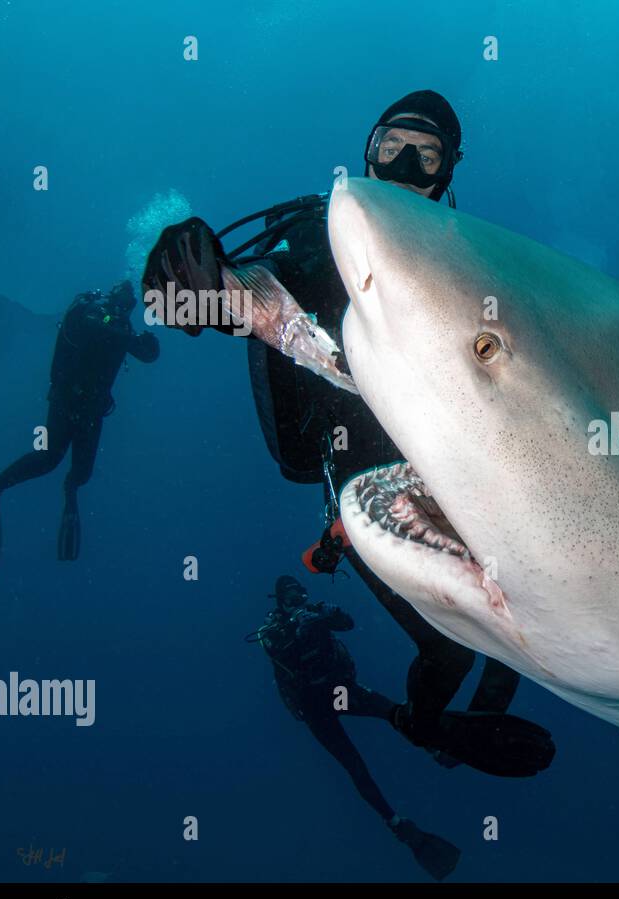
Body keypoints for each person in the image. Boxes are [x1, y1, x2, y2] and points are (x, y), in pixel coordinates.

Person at [142, 91, 555, 778]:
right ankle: (420, 727)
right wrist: (190, 289)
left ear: (447, 174)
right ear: (367, 147)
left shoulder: (472, 263)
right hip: (364, 491)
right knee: (448, 651)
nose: (402, 163)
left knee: (521, 625)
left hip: (458, 472)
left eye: (426, 155)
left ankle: (479, 714)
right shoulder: (318, 234)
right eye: (393, 142)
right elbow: (258, 295)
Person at [251, 575, 459, 880]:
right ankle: (397, 824)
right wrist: (297, 631)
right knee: (354, 765)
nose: (298, 601)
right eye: (291, 598)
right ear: (280, 602)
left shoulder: (316, 613)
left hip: (338, 691)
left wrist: (329, 615)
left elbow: (347, 624)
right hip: (313, 707)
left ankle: (434, 746)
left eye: (301, 594)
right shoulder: (271, 630)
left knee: (391, 711)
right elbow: (279, 654)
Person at [0, 280, 159, 579]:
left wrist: (146, 344)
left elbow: (145, 355)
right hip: (68, 400)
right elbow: (93, 329)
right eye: (125, 295)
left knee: (81, 473)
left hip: (91, 409)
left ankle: (67, 495)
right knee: (49, 458)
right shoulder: (91, 308)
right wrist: (127, 336)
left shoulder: (119, 325)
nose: (127, 301)